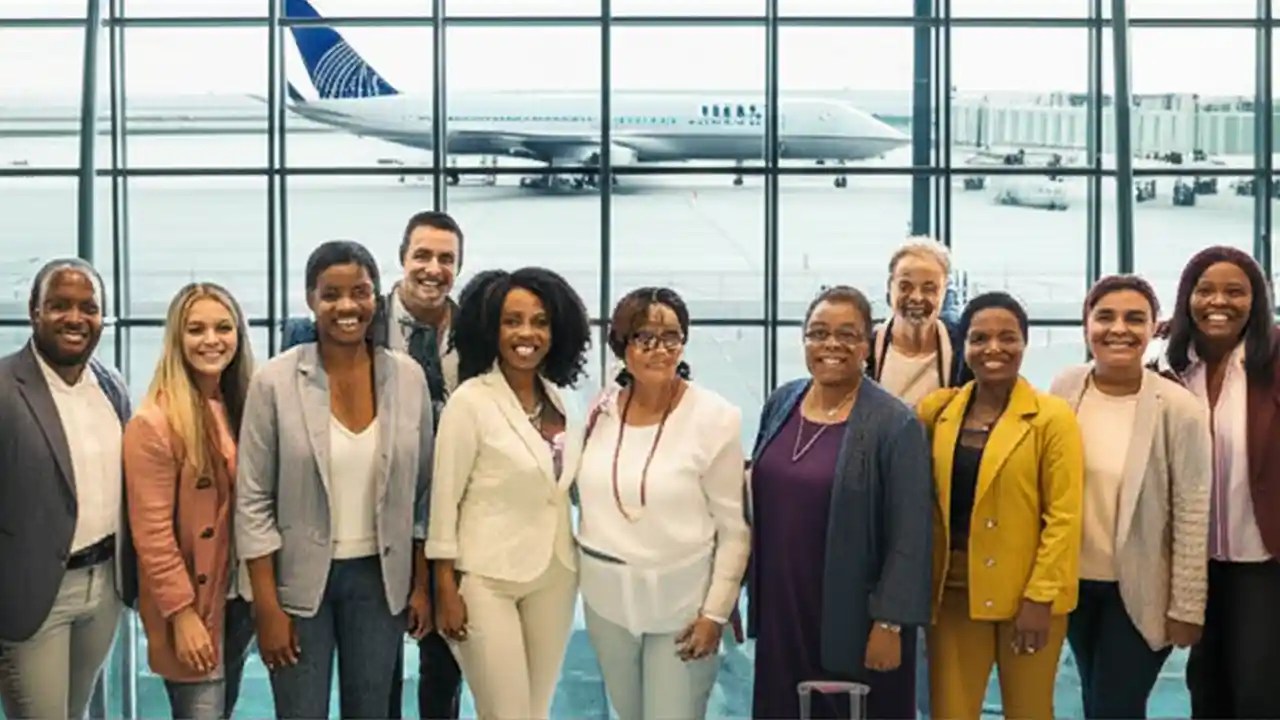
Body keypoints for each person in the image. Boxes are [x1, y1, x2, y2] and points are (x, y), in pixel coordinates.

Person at [235, 240, 435, 719]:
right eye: (331, 294)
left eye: (360, 292)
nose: (347, 306)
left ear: (376, 298)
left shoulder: (407, 378)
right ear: (311, 299)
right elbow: (253, 500)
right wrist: (266, 606)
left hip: (379, 580)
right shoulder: (275, 381)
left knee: (372, 711)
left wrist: (422, 585)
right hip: (299, 584)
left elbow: (423, 493)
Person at [747, 285, 933, 720]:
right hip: (783, 605)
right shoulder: (782, 402)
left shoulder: (894, 423)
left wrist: (889, 624)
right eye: (818, 333)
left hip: (853, 614)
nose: (831, 344)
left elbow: (911, 533)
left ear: (868, 343)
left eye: (848, 334)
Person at [575, 287, 750, 720]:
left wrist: (716, 612)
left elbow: (734, 529)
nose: (660, 349)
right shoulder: (600, 410)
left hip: (682, 604)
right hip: (606, 602)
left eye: (671, 336)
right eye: (644, 337)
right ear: (621, 345)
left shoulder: (715, 417)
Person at [426, 267, 593, 720]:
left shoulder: (563, 400)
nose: (527, 333)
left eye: (540, 321)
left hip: (555, 574)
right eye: (512, 321)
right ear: (490, 329)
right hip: (486, 581)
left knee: (534, 713)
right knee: (506, 714)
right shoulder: (471, 402)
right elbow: (444, 499)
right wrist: (445, 586)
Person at [1048, 274, 1211, 719]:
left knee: (1113, 708)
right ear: (1087, 325)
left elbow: (1192, 513)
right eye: (1105, 317)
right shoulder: (1065, 388)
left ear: (1153, 329)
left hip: (1140, 590)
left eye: (1134, 319)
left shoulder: (1178, 408)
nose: (1118, 328)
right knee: (1094, 698)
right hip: (1075, 587)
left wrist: (1187, 607)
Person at [917, 290, 1084, 720]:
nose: (993, 348)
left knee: (1029, 711)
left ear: (1025, 344)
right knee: (949, 712)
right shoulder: (939, 412)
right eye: (979, 338)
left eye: (1007, 337)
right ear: (964, 346)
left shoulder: (1051, 417)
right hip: (952, 594)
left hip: (1026, 597)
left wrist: (1040, 598)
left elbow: (1064, 517)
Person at [0, 258, 136, 720]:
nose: (75, 318)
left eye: (88, 307)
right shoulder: (4, 388)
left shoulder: (111, 385)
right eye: (59, 305)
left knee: (75, 713)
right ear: (34, 312)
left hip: (105, 589)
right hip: (35, 595)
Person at [1151, 246, 1280, 719]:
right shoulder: (1169, 368)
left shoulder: (1275, 360)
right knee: (1205, 687)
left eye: (1234, 291)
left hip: (1262, 558)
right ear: (1187, 298)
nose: (1217, 301)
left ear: (1256, 300)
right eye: (1205, 290)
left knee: (1258, 690)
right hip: (1192, 559)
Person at [123, 282, 260, 719]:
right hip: (196, 606)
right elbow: (152, 535)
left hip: (238, 601)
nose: (211, 340)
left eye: (223, 327)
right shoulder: (154, 422)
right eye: (195, 329)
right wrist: (182, 615)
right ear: (176, 338)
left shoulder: (239, 406)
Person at [867, 237, 965, 404]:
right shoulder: (865, 351)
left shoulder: (962, 352)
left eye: (929, 289)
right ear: (889, 287)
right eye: (905, 286)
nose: (917, 297)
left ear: (943, 293)